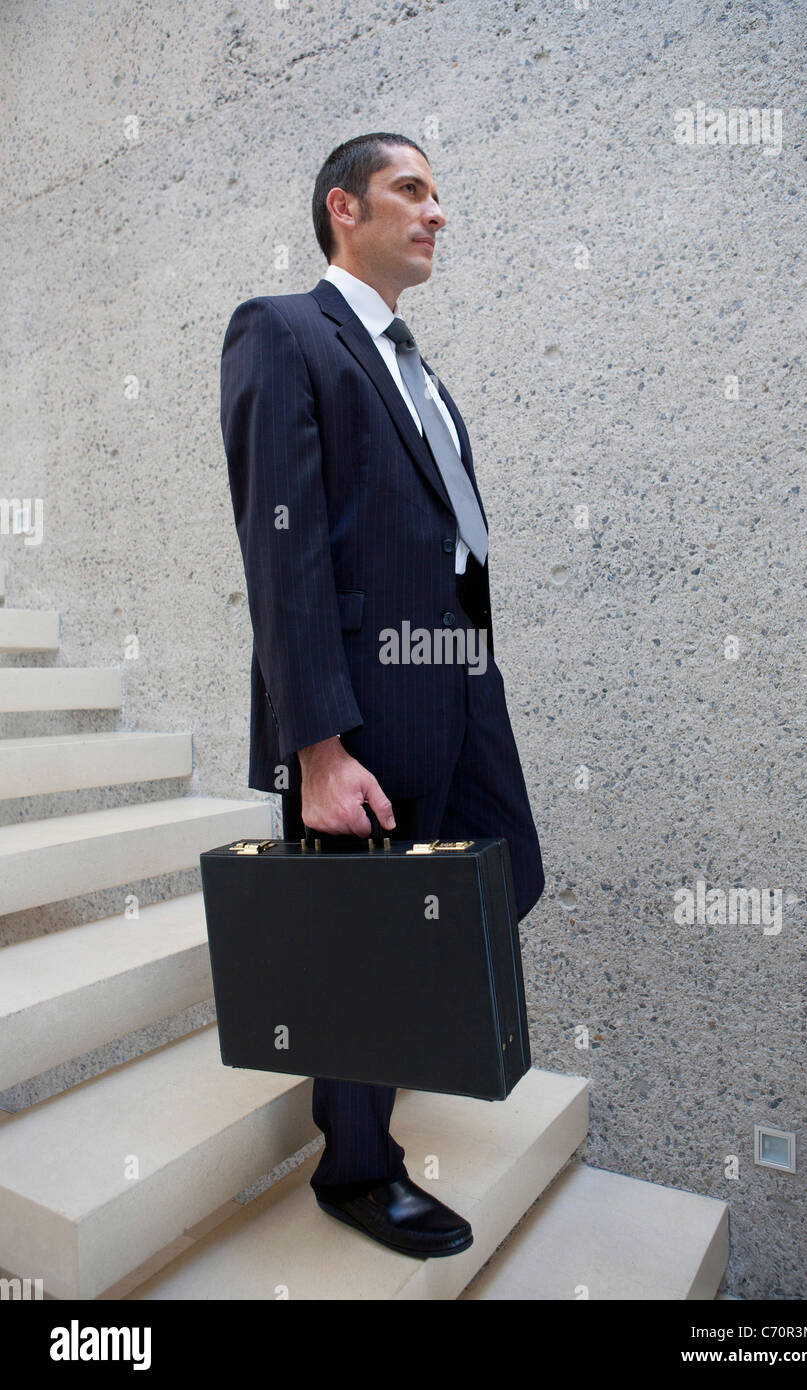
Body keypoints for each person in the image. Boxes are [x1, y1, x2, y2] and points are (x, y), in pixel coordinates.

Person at [220, 133, 544, 1260]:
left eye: (438, 192)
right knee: (351, 943)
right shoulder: (283, 329)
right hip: (357, 704)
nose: (436, 211)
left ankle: (400, 1043)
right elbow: (282, 547)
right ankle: (353, 1164)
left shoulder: (421, 373)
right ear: (341, 206)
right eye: (412, 189)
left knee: (506, 874)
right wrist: (315, 743)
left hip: (455, 686)